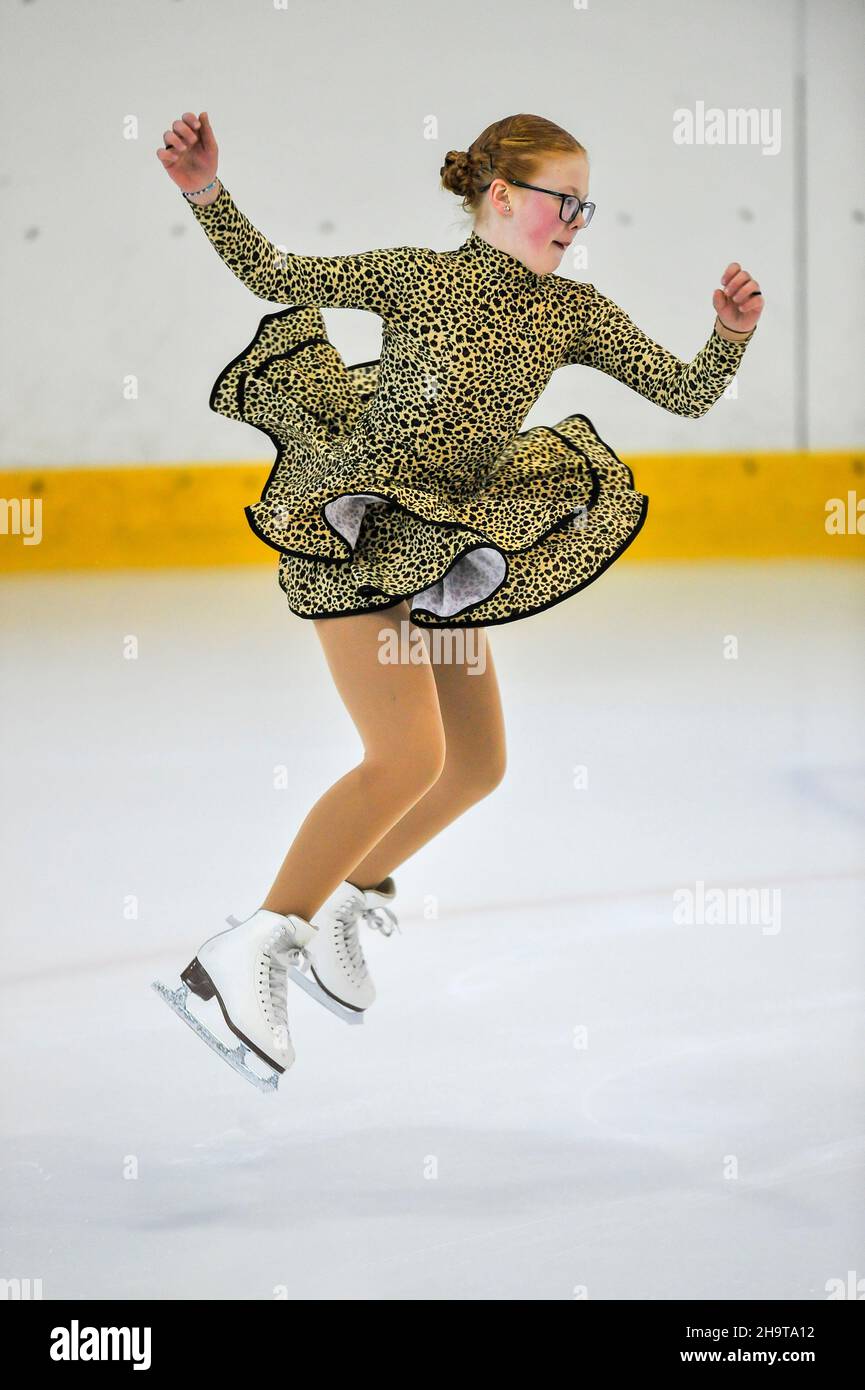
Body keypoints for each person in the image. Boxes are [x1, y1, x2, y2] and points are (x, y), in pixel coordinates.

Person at [154, 110, 763, 1086]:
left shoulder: (570, 311)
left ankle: (347, 894)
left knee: (475, 763)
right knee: (405, 754)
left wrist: (726, 337)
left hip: (440, 543)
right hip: (355, 525)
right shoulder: (416, 275)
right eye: (563, 201)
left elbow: (685, 391)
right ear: (502, 197)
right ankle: (241, 955)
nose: (575, 219)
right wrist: (205, 190)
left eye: (584, 204)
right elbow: (278, 277)